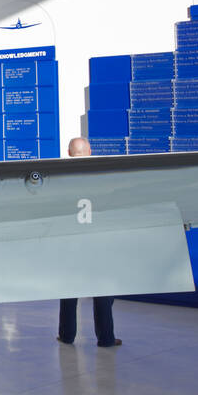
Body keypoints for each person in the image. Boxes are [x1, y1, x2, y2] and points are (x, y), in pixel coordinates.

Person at [56, 137, 122, 347]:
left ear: (68, 152)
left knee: (68, 292)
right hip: (97, 242)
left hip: (70, 243)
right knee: (102, 291)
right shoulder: (101, 177)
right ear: (90, 151)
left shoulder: (61, 179)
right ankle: (106, 338)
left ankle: (66, 336)